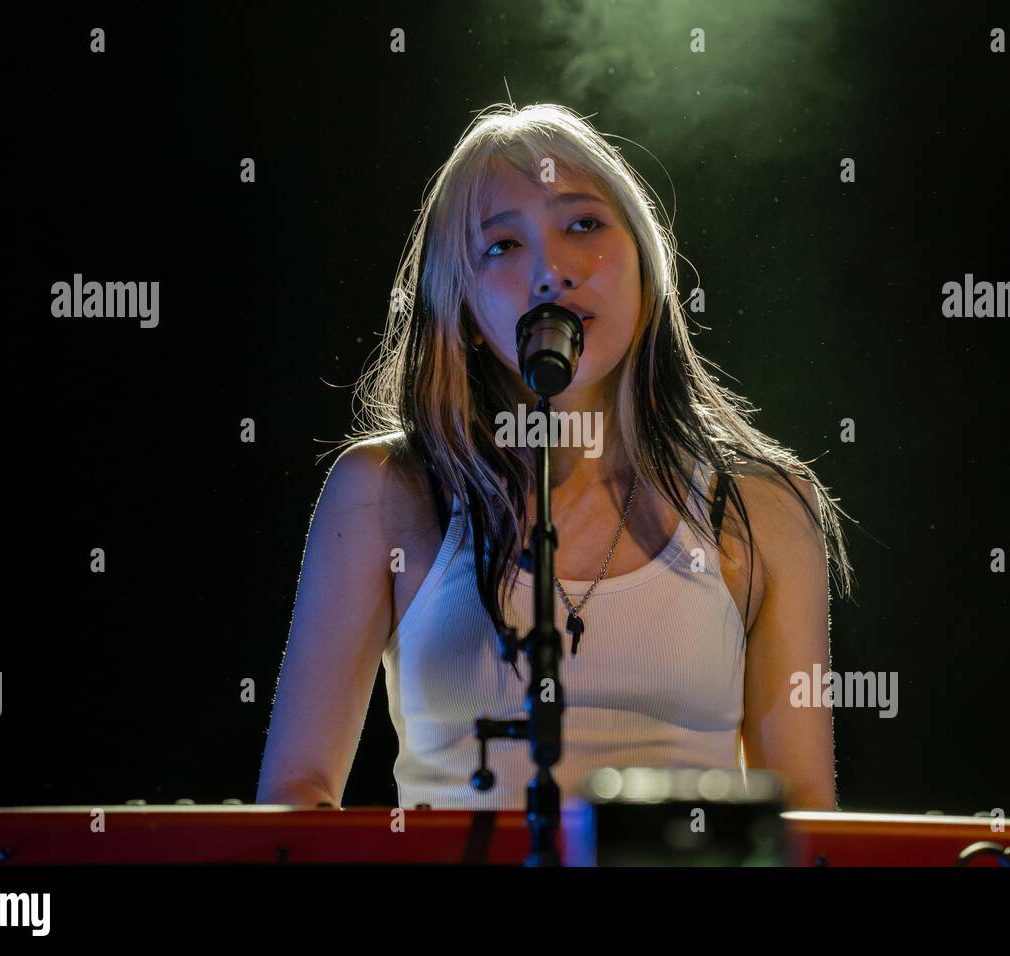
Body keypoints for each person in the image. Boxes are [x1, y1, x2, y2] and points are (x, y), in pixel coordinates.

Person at [256, 103, 855, 813]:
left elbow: (806, 817)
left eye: (583, 224)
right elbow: (296, 798)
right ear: (465, 308)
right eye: (502, 247)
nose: (552, 271)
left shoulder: (766, 508)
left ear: (646, 264)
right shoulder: (385, 492)